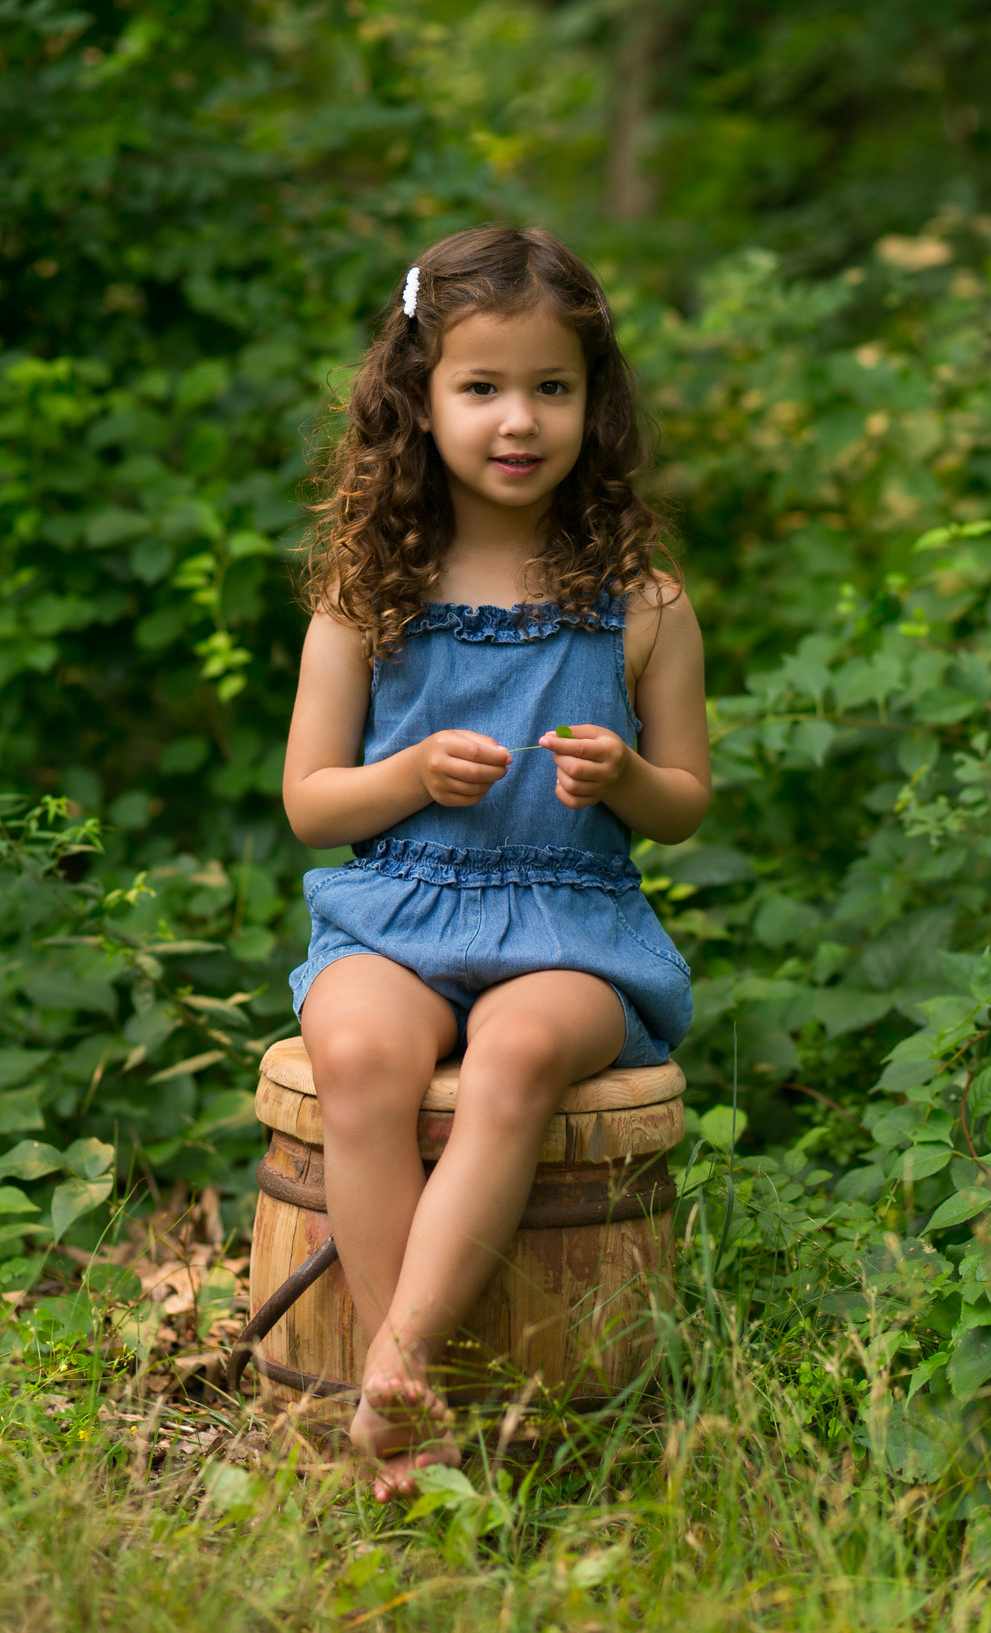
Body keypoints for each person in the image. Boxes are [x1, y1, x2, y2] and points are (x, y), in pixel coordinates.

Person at [282, 227, 710, 1500]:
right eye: (481, 387)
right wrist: (409, 777)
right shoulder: (367, 596)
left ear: (594, 400)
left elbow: (685, 800)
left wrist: (625, 780)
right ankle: (409, 1399)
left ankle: (394, 1376)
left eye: (551, 387)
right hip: (400, 913)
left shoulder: (642, 600)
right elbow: (311, 802)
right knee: (358, 1050)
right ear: (416, 399)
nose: (517, 419)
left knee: (521, 1047)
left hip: (574, 923)